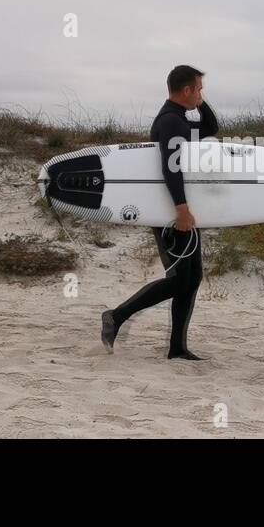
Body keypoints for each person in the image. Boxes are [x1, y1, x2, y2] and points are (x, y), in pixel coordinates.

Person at [101, 65, 219, 360]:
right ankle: (116, 316)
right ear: (186, 89)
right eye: (199, 89)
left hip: (180, 211)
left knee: (191, 278)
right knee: (182, 279)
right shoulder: (170, 122)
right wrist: (181, 211)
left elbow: (211, 128)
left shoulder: (179, 119)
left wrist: (201, 103)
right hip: (171, 214)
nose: (201, 94)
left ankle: (177, 347)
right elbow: (171, 167)